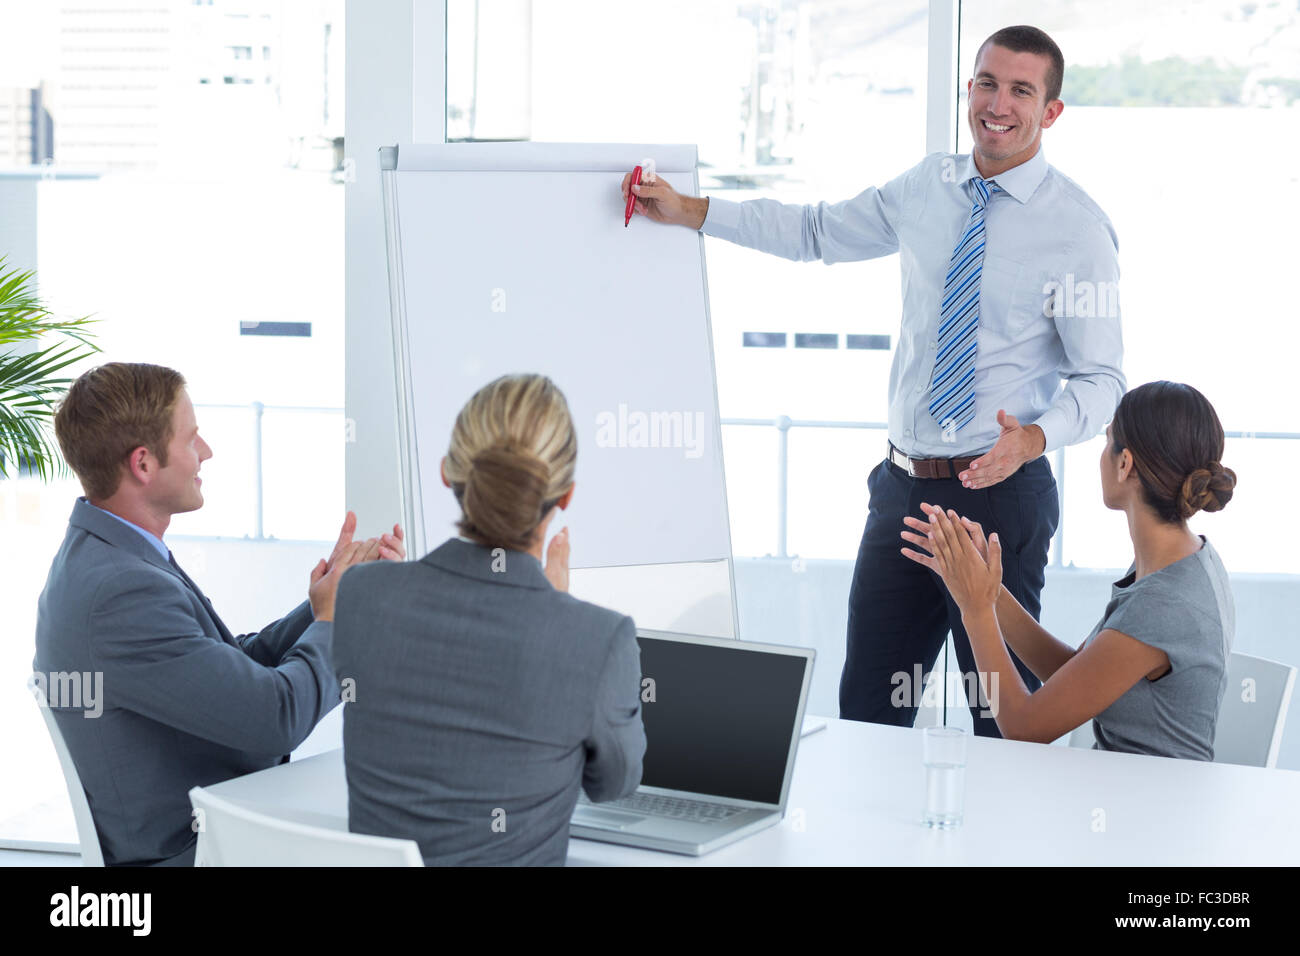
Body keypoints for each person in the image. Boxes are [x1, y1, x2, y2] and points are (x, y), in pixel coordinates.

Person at [621, 24, 1124, 736]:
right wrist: (693, 213)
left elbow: (1103, 380)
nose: (998, 103)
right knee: (867, 713)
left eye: (1021, 90)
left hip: (997, 498)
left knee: (1002, 724)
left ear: (1051, 111)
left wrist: (1035, 439)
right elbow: (816, 231)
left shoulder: (1077, 229)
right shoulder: (929, 187)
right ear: (970, 89)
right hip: (904, 496)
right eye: (986, 83)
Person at [32, 362, 405, 866]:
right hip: (197, 851)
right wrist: (332, 621)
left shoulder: (112, 556)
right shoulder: (119, 590)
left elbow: (230, 662)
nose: (206, 453)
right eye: (192, 440)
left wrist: (338, 599)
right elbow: (277, 716)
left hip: (219, 821)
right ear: (143, 464)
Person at [332, 373, 646, 866]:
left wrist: (549, 615)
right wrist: (556, 614)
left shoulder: (360, 595)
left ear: (446, 474)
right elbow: (614, 783)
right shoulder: (598, 640)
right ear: (564, 497)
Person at [900, 381, 1236, 759]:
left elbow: (1023, 729)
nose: (1103, 455)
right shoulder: (1185, 561)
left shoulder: (1163, 604)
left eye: (1107, 442)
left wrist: (975, 610)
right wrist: (988, 587)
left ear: (1125, 465)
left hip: (1146, 809)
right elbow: (1077, 672)